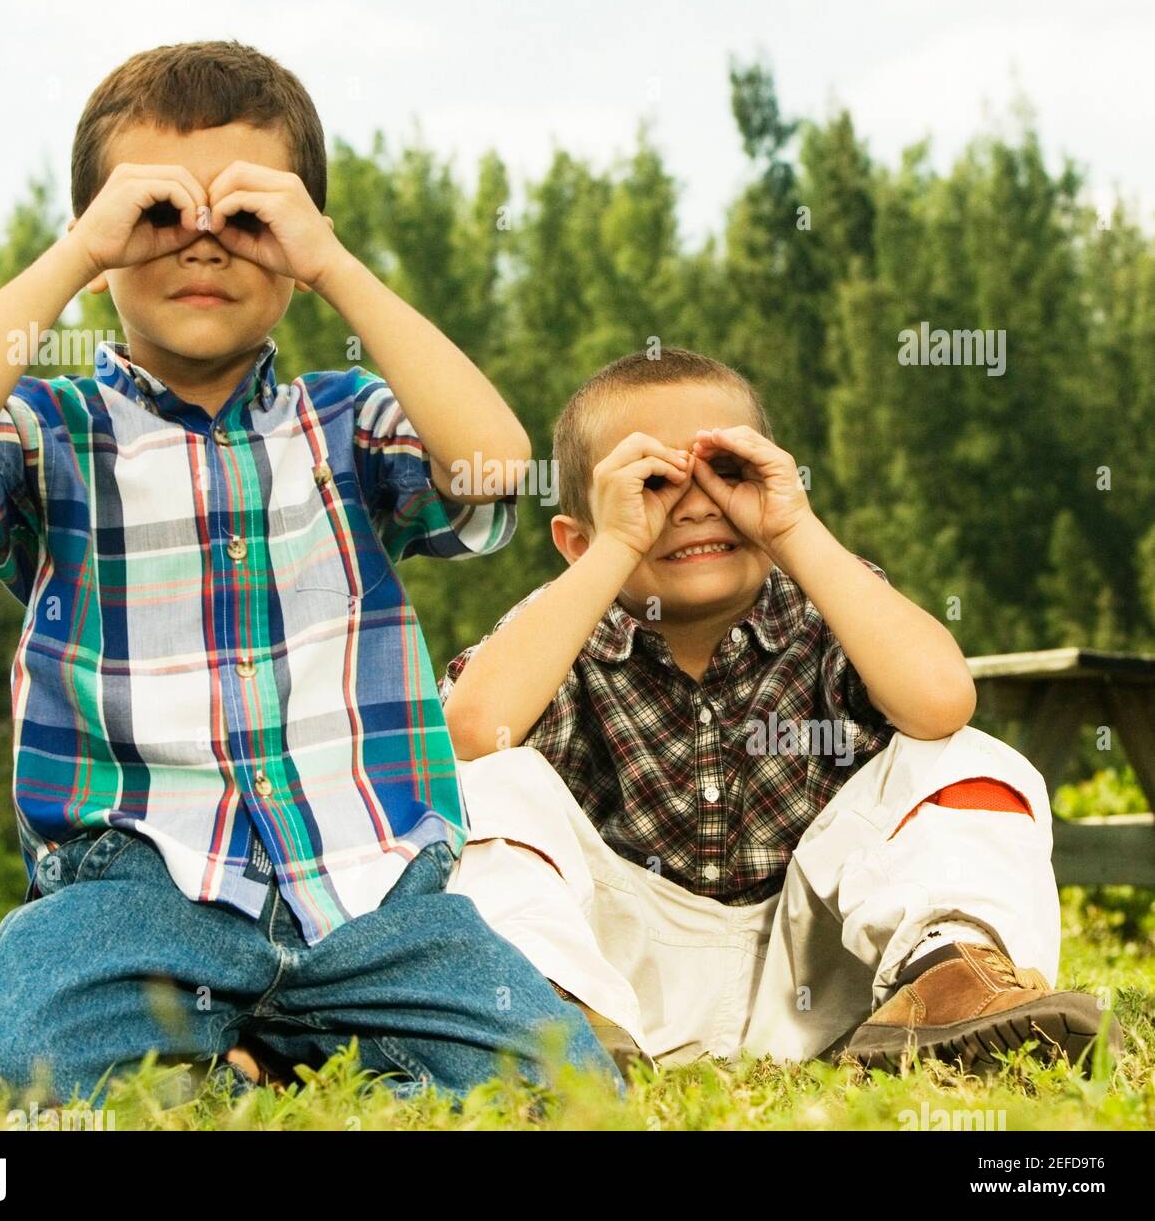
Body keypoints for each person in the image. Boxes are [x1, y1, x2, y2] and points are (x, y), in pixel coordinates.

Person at [0, 40, 616, 1104]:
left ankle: (246, 1071)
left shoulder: (345, 425)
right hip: (134, 892)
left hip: (375, 893)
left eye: (248, 219)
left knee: (563, 1088)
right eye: (160, 218)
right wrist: (81, 246)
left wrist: (335, 262)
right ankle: (231, 1067)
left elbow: (492, 464)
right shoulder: (58, 430)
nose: (201, 245)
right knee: (12, 1088)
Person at [439, 347, 1122, 1074]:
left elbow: (941, 698)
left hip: (832, 984)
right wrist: (616, 549)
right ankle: (550, 1023)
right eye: (654, 483)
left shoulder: (828, 607)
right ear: (577, 540)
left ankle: (951, 987)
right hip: (613, 991)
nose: (696, 505)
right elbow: (476, 735)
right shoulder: (555, 632)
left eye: (726, 473)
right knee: (484, 787)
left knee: (961, 754)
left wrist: (794, 530)